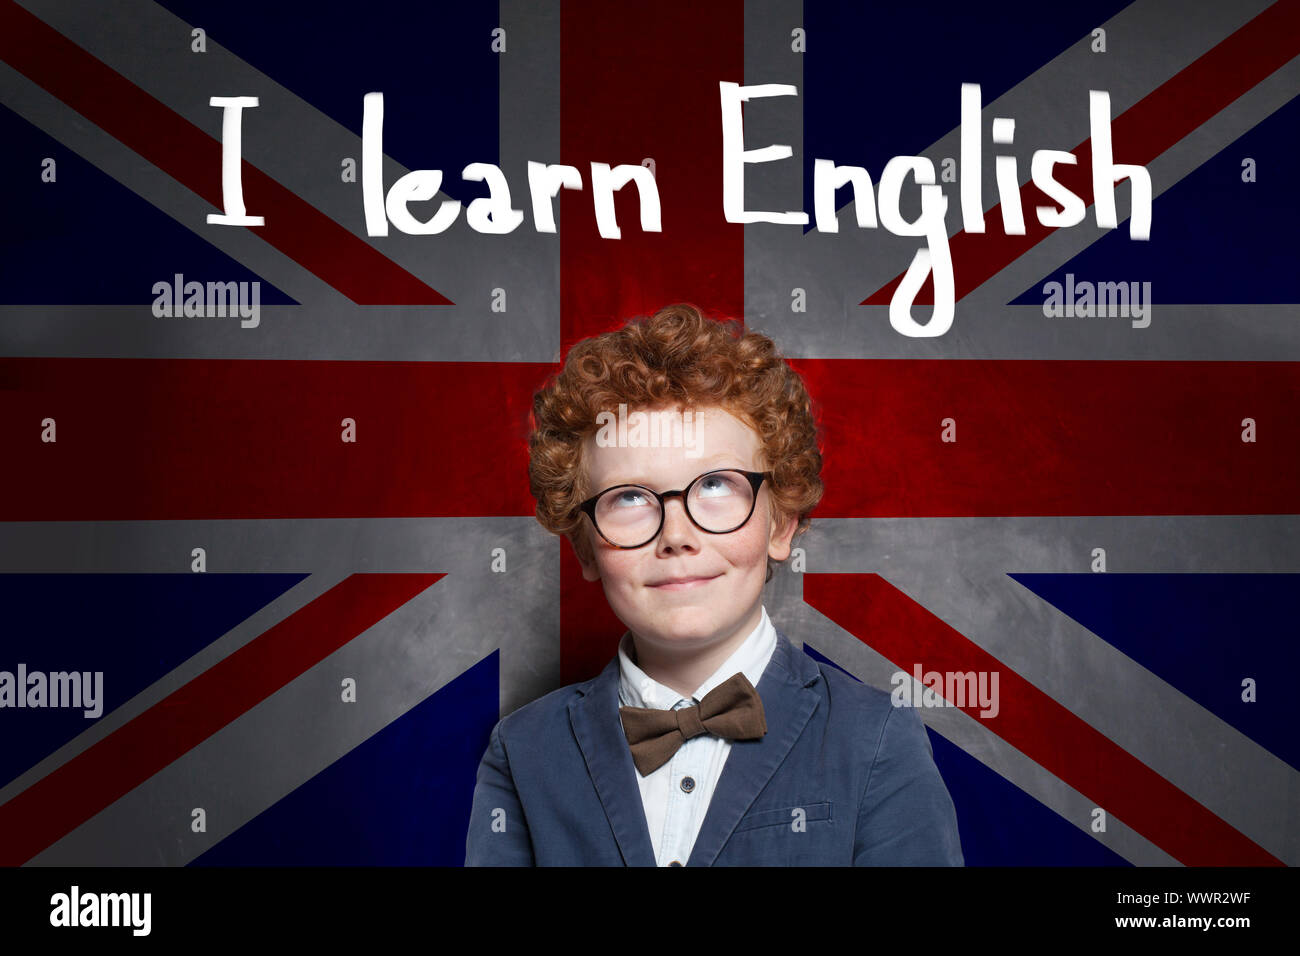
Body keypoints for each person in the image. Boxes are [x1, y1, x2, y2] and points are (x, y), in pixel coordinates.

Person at [464, 303, 963, 866]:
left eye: (717, 486)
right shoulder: (523, 752)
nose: (676, 535)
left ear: (781, 523)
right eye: (629, 497)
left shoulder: (876, 741)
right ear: (585, 546)